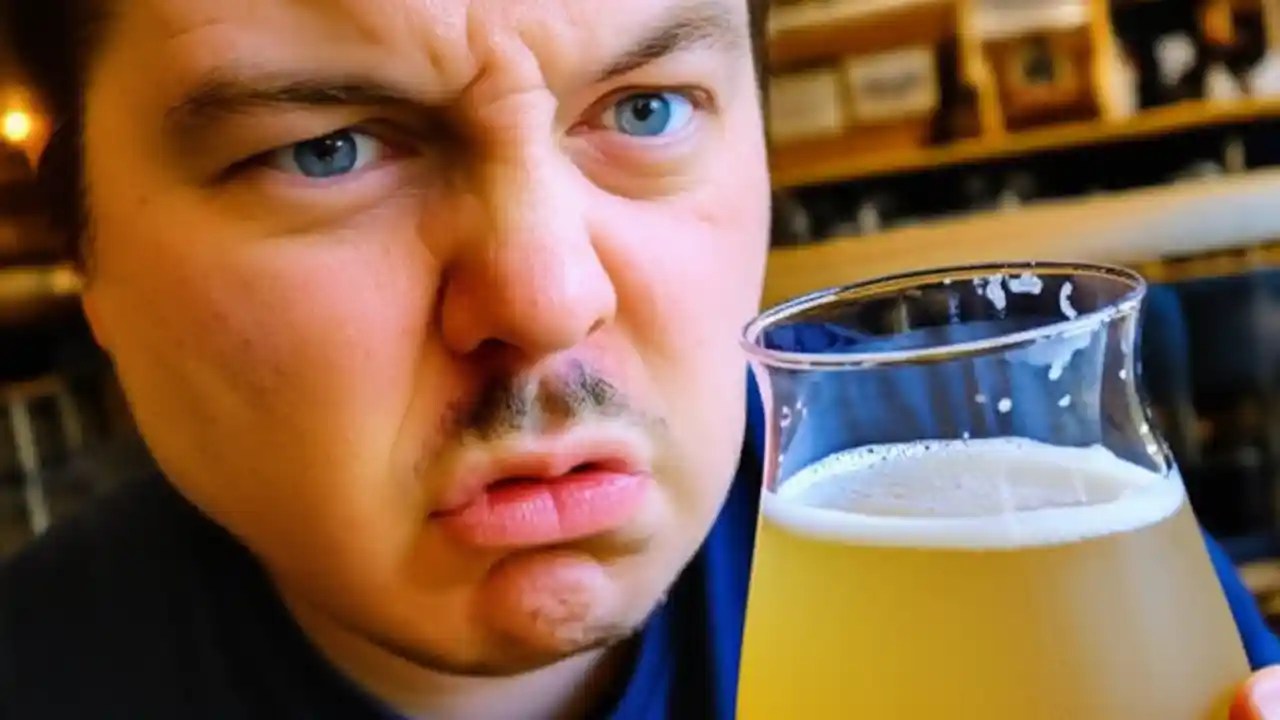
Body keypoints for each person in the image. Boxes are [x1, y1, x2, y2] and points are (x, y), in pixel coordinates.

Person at [0, 1, 1277, 718]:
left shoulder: (1037, 535)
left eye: (644, 110)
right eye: (324, 150)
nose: (550, 299)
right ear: (86, 252)